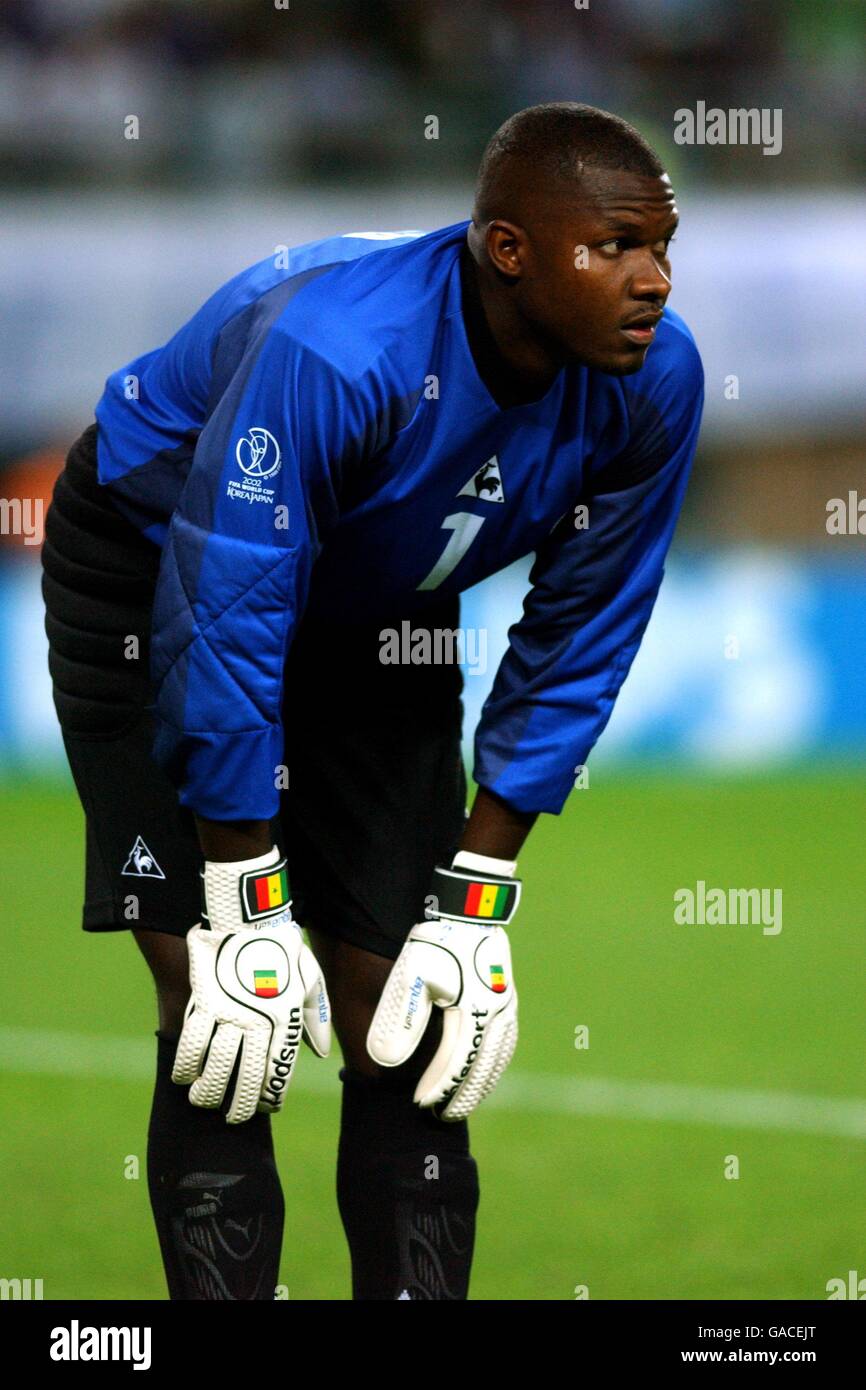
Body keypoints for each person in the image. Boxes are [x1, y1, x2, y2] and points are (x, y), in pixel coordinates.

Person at [41, 101, 704, 1300]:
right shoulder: (340, 351)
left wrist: (476, 902)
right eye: (613, 247)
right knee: (225, 1018)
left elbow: (582, 629)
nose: (651, 279)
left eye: (661, 245)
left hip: (376, 609)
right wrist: (244, 899)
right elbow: (228, 613)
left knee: (412, 1017)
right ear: (509, 251)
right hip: (149, 576)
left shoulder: (654, 382)